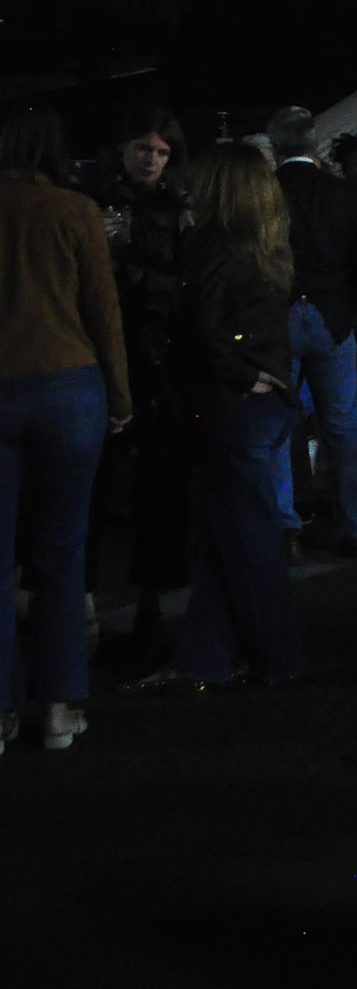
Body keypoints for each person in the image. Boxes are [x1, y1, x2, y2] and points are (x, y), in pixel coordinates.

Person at [140, 144, 305, 693]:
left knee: (243, 540)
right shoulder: (267, 245)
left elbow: (202, 328)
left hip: (233, 405)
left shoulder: (212, 244)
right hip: (263, 402)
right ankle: (205, 659)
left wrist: (237, 374)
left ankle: (271, 657)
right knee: (228, 537)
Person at [1, 109, 131, 751]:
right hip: (68, 386)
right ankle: (56, 710)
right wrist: (120, 392)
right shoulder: (74, 211)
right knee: (59, 556)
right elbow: (102, 310)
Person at [90, 107, 194, 645]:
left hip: (160, 354)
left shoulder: (180, 207)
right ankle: (83, 596)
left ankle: (153, 595)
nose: (151, 159)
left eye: (160, 152)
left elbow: (188, 281)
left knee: (159, 481)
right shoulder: (95, 198)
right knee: (97, 476)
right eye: (143, 149)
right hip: (108, 351)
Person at [267, 106, 357, 557]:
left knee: (279, 422)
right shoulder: (342, 194)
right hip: (332, 315)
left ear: (275, 146)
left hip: (279, 314)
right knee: (342, 425)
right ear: (315, 144)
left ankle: (285, 523)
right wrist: (351, 312)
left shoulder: (267, 192)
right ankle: (351, 523)